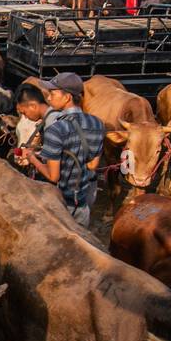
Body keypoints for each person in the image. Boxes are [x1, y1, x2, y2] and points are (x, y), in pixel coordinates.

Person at [22, 72, 106, 226]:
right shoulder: (98, 124)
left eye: (53, 93)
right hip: (82, 204)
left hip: (60, 206)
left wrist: (32, 158)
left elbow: (53, 176)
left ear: (67, 97)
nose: (48, 98)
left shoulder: (57, 128)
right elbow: (92, 165)